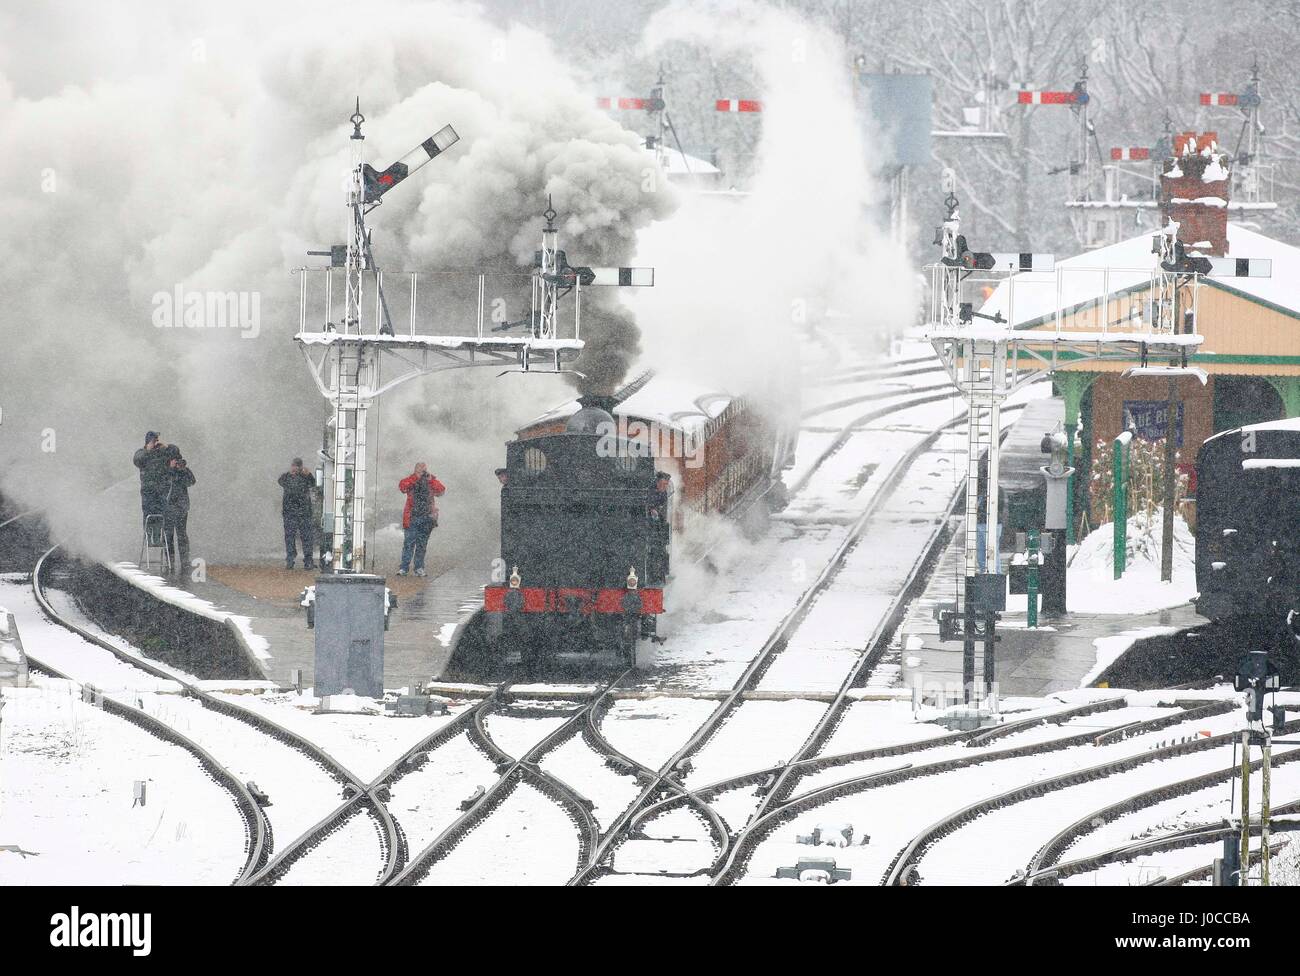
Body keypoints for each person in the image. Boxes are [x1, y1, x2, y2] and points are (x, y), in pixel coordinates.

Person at [398, 462, 445, 577]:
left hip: (427, 517)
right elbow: (402, 487)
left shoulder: (430, 480)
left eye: (423, 470)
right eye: (419, 470)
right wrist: (415, 478)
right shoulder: (410, 480)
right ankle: (404, 568)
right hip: (412, 517)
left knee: (422, 544)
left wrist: (430, 479)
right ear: (415, 470)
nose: (421, 472)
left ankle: (419, 567)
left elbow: (441, 491)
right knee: (409, 543)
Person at [278, 458, 318, 570]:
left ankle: (308, 560)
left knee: (306, 537)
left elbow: (313, 483)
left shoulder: (305, 477)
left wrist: (308, 474)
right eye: (293, 466)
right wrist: (289, 474)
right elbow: (280, 481)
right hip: (290, 512)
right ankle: (290, 559)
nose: (295, 468)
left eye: (297, 466)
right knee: (290, 537)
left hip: (303, 512)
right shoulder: (286, 477)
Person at [133, 432, 177, 532]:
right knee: (149, 513)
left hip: (161, 490)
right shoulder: (142, 452)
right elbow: (137, 460)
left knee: (161, 514)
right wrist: (148, 449)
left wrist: (166, 446)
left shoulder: (161, 452)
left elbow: (176, 453)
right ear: (148, 441)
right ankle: (149, 535)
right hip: (148, 491)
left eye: (157, 440)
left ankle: (158, 537)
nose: (156, 442)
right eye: (154, 440)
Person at [163, 454, 195, 577]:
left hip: (181, 508)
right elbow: (166, 483)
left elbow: (192, 481)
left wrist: (184, 469)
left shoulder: (182, 471)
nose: (177, 463)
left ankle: (184, 561)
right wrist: (171, 469)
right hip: (169, 508)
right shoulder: (165, 471)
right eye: (175, 461)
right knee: (169, 535)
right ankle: (170, 560)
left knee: (182, 535)